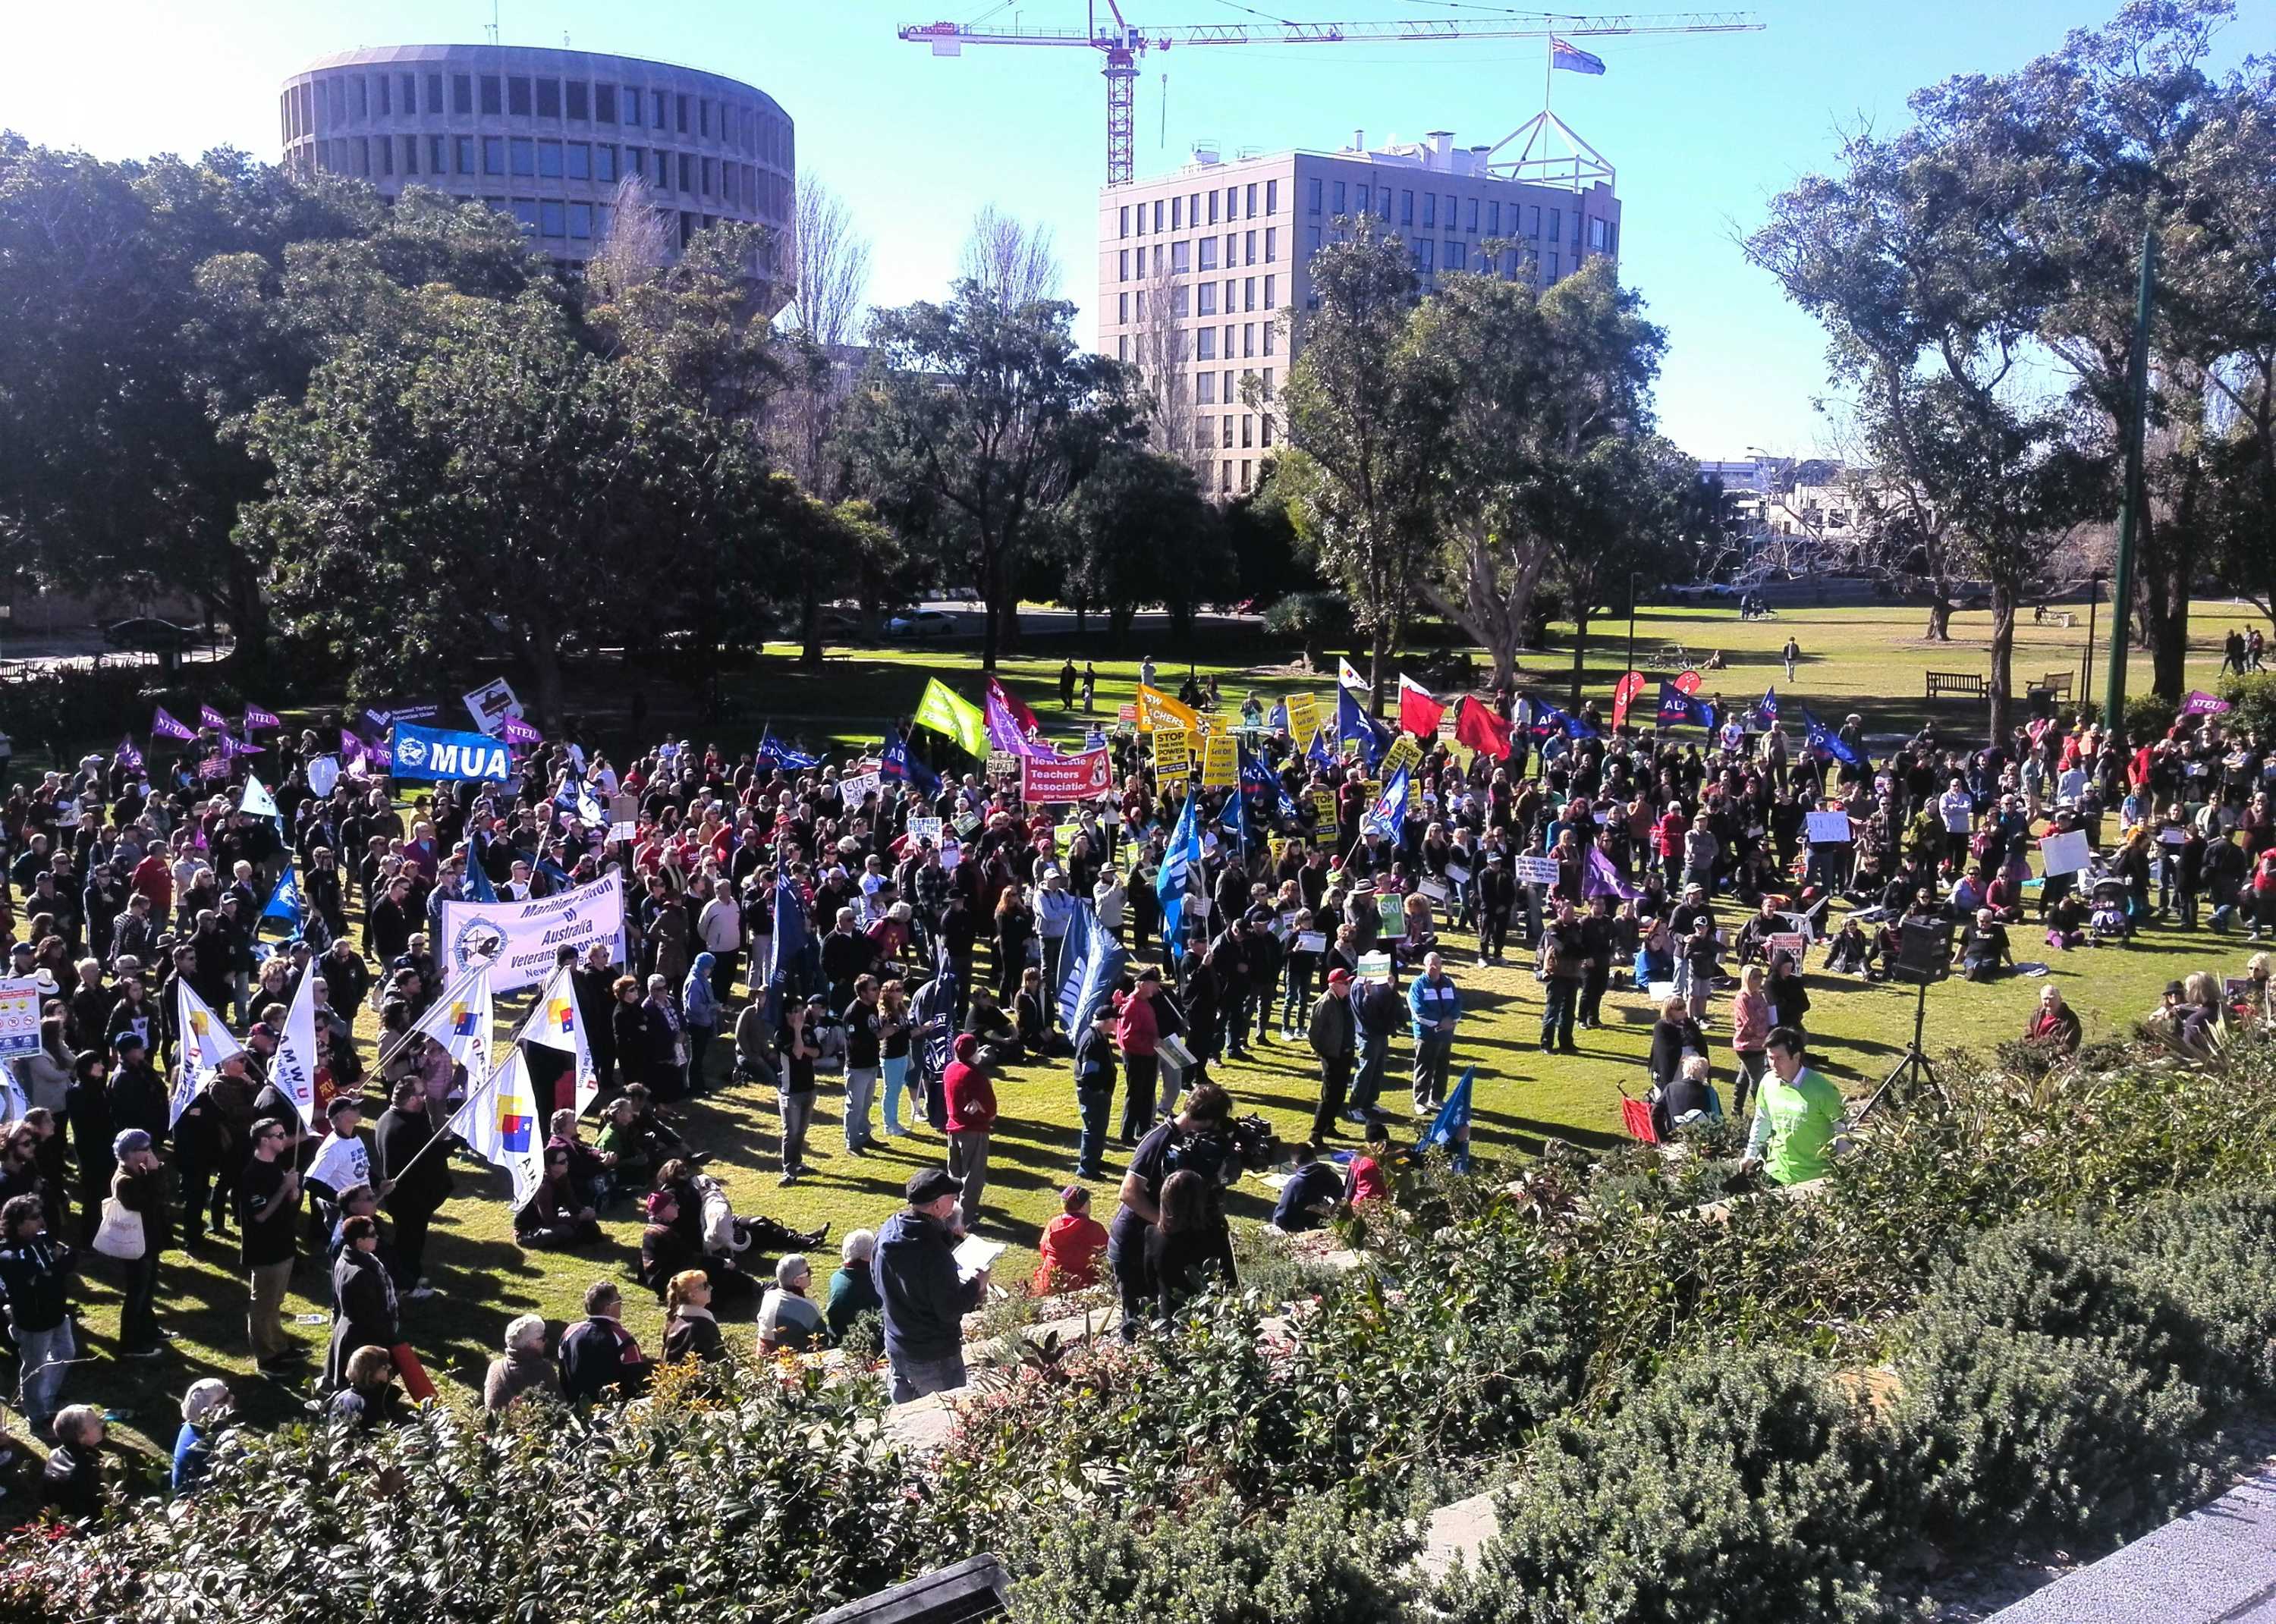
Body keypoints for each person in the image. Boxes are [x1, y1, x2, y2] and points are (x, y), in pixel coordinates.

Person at [1108, 1082, 1240, 1341]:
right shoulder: (1159, 1141)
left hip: (1157, 1238)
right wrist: (1166, 1224)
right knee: (1139, 1319)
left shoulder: (1195, 1140)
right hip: (1133, 1240)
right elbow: (1128, 1193)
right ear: (1206, 1119)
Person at [872, 1168, 989, 1403]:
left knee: (903, 1413)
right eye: (952, 1197)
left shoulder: (890, 1230)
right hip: (933, 1354)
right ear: (936, 1207)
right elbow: (949, 1310)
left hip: (897, 1341)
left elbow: (877, 1278)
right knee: (949, 1413)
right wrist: (976, 1285)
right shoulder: (933, 1253)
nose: (956, 1200)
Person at [0, 1193, 74, 1435]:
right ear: (18, 1223)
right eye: (34, 1217)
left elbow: (69, 1258)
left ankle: (46, 1397)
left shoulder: (42, 1239)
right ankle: (36, 1416)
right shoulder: (8, 1255)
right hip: (34, 1322)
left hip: (57, 1313)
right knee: (34, 1367)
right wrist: (53, 1270)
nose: (41, 1221)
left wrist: (52, 1271)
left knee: (66, 1352)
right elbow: (39, 1281)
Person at [373, 1078, 450, 1299]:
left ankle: (412, 1275)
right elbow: (431, 1155)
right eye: (421, 1094)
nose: (425, 1098)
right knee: (410, 1243)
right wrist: (456, 1141)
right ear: (412, 1099)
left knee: (410, 1240)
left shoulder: (388, 1118)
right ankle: (406, 1286)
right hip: (411, 1199)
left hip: (403, 1196)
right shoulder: (403, 1127)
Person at [1740, 1026, 1847, 1187]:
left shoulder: (1823, 1090)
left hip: (1814, 1179)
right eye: (1770, 1058)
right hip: (1774, 1172)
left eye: (1779, 1058)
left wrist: (1842, 1171)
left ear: (1796, 1057)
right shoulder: (1768, 1082)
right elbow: (1762, 1120)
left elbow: (1842, 1132)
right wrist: (1751, 1155)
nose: (1773, 1064)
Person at [238, 1117, 303, 1372]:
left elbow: (280, 1207)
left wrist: (292, 1195)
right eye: (279, 1135)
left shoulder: (275, 1167)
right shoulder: (252, 1174)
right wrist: (284, 1188)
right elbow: (261, 1215)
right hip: (265, 1250)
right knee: (263, 1305)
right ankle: (266, 1358)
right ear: (264, 1141)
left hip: (284, 1245)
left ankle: (279, 1346)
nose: (284, 1138)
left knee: (275, 1302)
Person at [108, 1128, 170, 1357]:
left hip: (148, 1242)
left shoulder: (139, 1173)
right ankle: (130, 1344)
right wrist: (155, 1173)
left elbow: (162, 1194)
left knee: (148, 1288)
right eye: (145, 1149)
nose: (150, 1153)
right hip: (135, 1245)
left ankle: (149, 1329)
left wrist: (154, 1173)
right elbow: (148, 1203)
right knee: (137, 1292)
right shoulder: (125, 1180)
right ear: (131, 1153)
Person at [325, 1214, 399, 1390]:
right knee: (365, 1379)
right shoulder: (361, 1274)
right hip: (362, 1337)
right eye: (372, 1235)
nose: (377, 1237)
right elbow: (370, 1315)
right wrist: (387, 1336)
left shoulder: (345, 1258)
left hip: (348, 1328)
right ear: (359, 1241)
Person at [558, 1280, 652, 1403]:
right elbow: (637, 1381)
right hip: (611, 1411)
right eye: (619, 1299)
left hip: (575, 1406)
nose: (621, 1303)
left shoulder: (570, 1332)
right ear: (608, 1309)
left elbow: (562, 1372)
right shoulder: (622, 1337)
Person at [942, 1032, 997, 1229]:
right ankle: (964, 1219)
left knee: (954, 1174)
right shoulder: (975, 1074)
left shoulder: (950, 1069)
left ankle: (949, 1213)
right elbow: (990, 1109)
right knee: (973, 1177)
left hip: (953, 1127)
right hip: (973, 1130)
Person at [1307, 967, 1358, 1141]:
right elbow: (1314, 1033)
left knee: (1340, 1094)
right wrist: (1325, 1053)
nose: (1348, 985)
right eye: (1345, 983)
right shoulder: (1325, 1003)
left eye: (1349, 982)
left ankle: (1329, 1126)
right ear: (1334, 985)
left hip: (1345, 1053)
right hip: (1332, 1056)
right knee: (1329, 1096)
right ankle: (1316, 1133)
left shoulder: (1345, 1000)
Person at [1032, 1184, 1109, 1293]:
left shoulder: (1054, 1224)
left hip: (1054, 1281)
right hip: (1083, 1284)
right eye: (1088, 1201)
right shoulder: (1094, 1228)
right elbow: (1106, 1254)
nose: (1090, 1204)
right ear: (1082, 1207)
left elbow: (1044, 1249)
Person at [1070, 1003, 1118, 1180]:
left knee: (1099, 1127)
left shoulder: (1098, 1035)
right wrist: (1099, 1090)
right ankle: (1087, 1167)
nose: (1116, 1024)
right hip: (1093, 1094)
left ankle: (1094, 1159)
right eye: (1114, 1020)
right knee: (1093, 1128)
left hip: (1098, 1092)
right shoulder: (1093, 1040)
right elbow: (1089, 1073)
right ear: (1105, 1021)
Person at [1407, 952, 1459, 1112]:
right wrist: (1439, 1022)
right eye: (1432, 964)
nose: (1435, 967)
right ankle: (1420, 1102)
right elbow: (1418, 1011)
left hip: (1445, 1034)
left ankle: (1437, 1098)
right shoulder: (1418, 985)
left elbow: (1457, 1003)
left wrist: (1451, 1019)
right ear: (1425, 965)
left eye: (1438, 964)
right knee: (1424, 1067)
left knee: (1443, 1066)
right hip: (1426, 1034)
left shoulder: (1448, 983)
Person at [483, 1315, 564, 1412]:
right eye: (543, 1338)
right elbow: (561, 1404)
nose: (545, 1342)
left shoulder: (494, 1367)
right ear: (531, 1344)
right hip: (530, 1425)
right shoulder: (543, 1369)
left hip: (498, 1425)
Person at [41, 1405, 107, 1519]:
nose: (101, 1425)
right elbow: (100, 1504)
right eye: (96, 1423)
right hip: (83, 1523)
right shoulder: (89, 1466)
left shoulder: (55, 1454)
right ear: (81, 1436)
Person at [172, 1378, 234, 1495]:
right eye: (226, 1399)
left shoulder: (190, 1426)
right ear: (212, 1410)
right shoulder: (215, 1442)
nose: (232, 1398)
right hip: (201, 1503)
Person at [757, 1253, 826, 1353]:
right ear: (797, 1281)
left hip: (765, 1359)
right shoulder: (807, 1308)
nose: (811, 1273)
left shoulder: (768, 1297)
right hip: (794, 1362)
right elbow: (823, 1340)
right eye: (808, 1271)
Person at [1271, 1141, 1345, 1233]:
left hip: (1303, 1230)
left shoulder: (1295, 1185)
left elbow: (1280, 1217)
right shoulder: (1331, 1176)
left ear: (1295, 1165)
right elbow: (1341, 1197)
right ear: (1315, 1158)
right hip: (1330, 1226)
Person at [825, 1230, 884, 1345]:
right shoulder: (874, 1283)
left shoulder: (837, 1277)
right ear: (868, 1256)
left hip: (836, 1339)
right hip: (868, 1343)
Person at [329, 1344, 407, 1429]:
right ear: (369, 1374)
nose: (389, 1368)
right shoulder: (371, 1405)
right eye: (384, 1367)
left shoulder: (340, 1397)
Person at [1729, 965, 1771, 1120]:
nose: (1759, 980)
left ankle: (1736, 1109)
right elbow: (1749, 1022)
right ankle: (1763, 1111)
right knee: (1757, 1080)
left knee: (1745, 1077)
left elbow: (1767, 1015)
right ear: (1747, 978)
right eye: (1755, 977)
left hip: (1761, 1043)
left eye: (1761, 976)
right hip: (1747, 1045)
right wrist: (1763, 1033)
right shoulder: (1742, 998)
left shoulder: (1760, 996)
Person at [663, 1269, 729, 1366]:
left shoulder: (675, 1320)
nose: (711, 1288)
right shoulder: (702, 1326)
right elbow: (719, 1362)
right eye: (705, 1286)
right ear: (692, 1295)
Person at [2022, 984, 2083, 1057]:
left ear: (2060, 999)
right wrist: (2034, 1050)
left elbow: (2068, 1046)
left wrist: (2049, 1053)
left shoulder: (2070, 1020)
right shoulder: (2037, 1014)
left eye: (2051, 998)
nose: (2048, 1002)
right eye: (2045, 999)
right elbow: (2028, 1036)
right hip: (2035, 1055)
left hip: (2056, 1059)